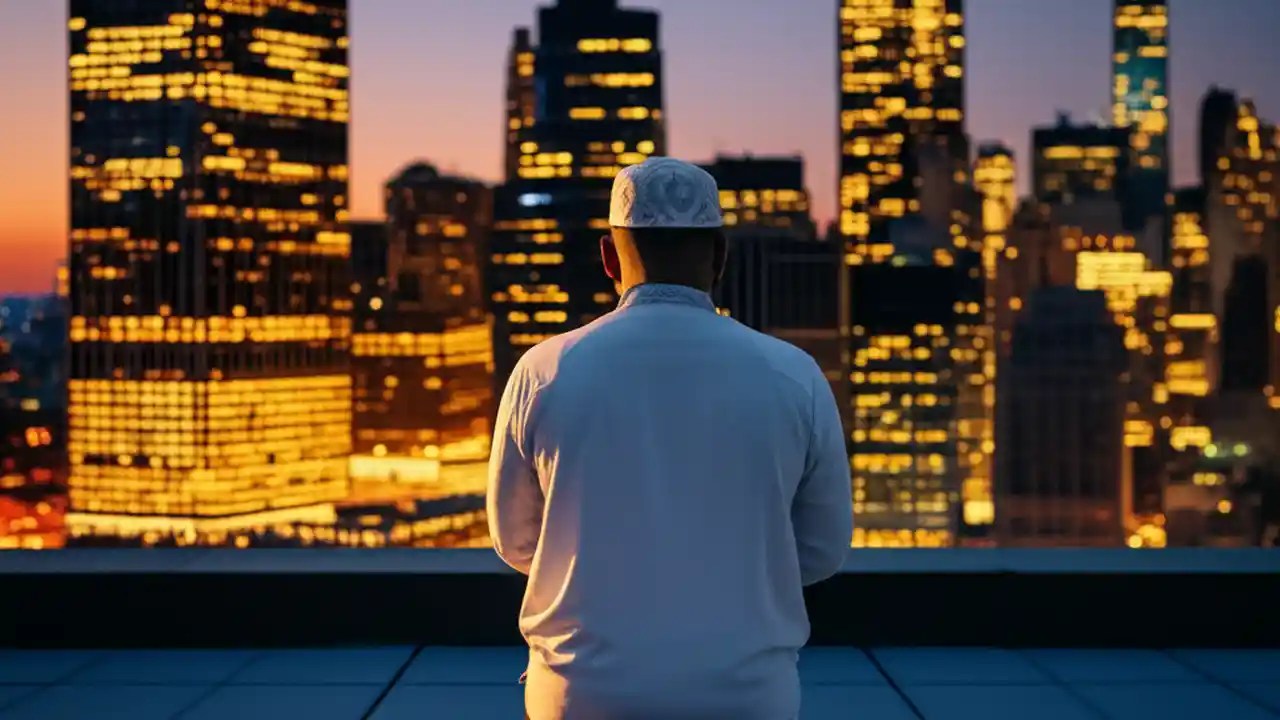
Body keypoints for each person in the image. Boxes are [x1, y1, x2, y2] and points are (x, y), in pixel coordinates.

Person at [488, 157, 853, 720]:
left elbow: (516, 542)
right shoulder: (794, 375)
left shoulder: (542, 372)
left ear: (608, 256)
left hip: (579, 696)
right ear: (721, 256)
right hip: (747, 696)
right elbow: (822, 548)